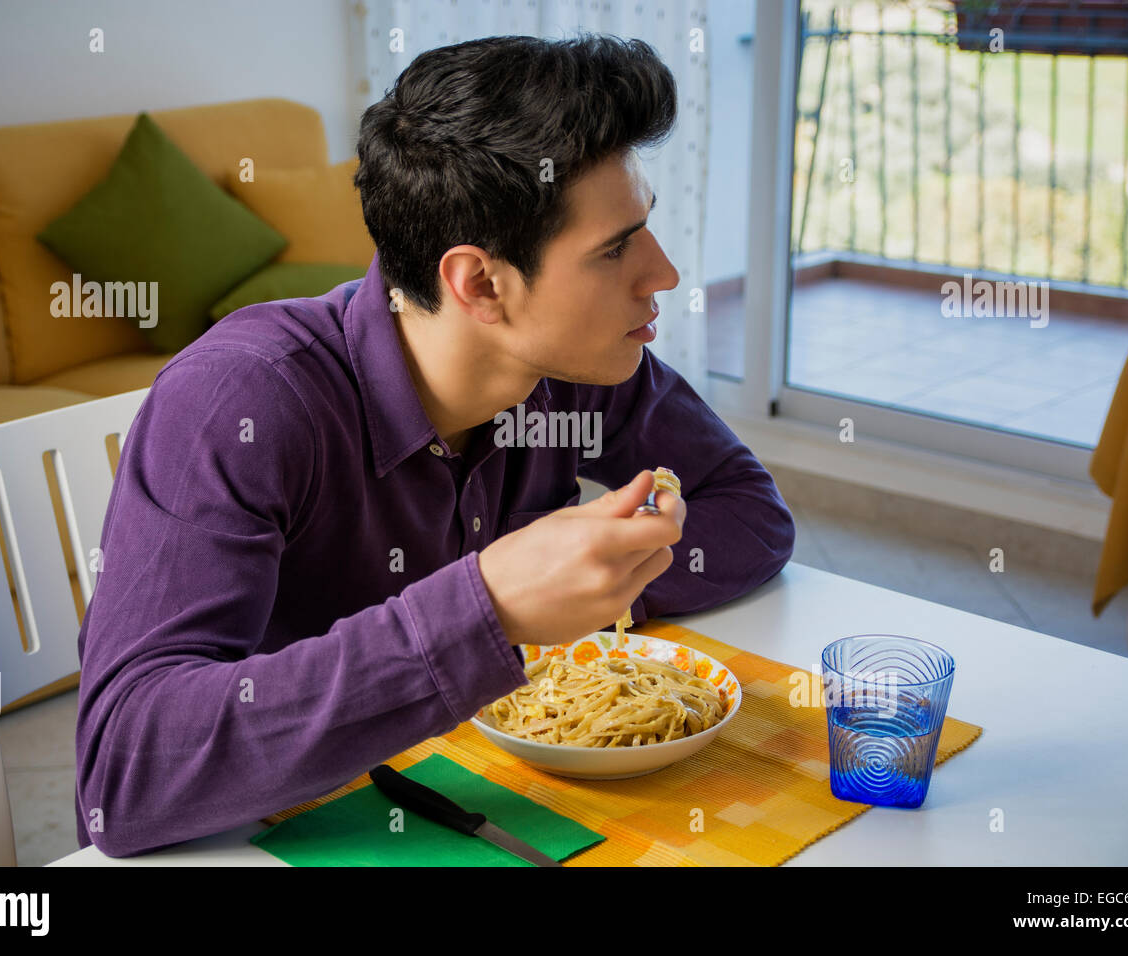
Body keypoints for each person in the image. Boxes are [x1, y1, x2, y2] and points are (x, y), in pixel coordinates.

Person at [74, 33, 795, 857]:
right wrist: (486, 608)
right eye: (614, 249)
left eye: (646, 230)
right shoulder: (240, 403)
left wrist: (596, 590)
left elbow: (751, 516)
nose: (663, 273)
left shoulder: (584, 366)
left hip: (486, 796)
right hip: (281, 831)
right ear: (480, 283)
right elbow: (124, 776)